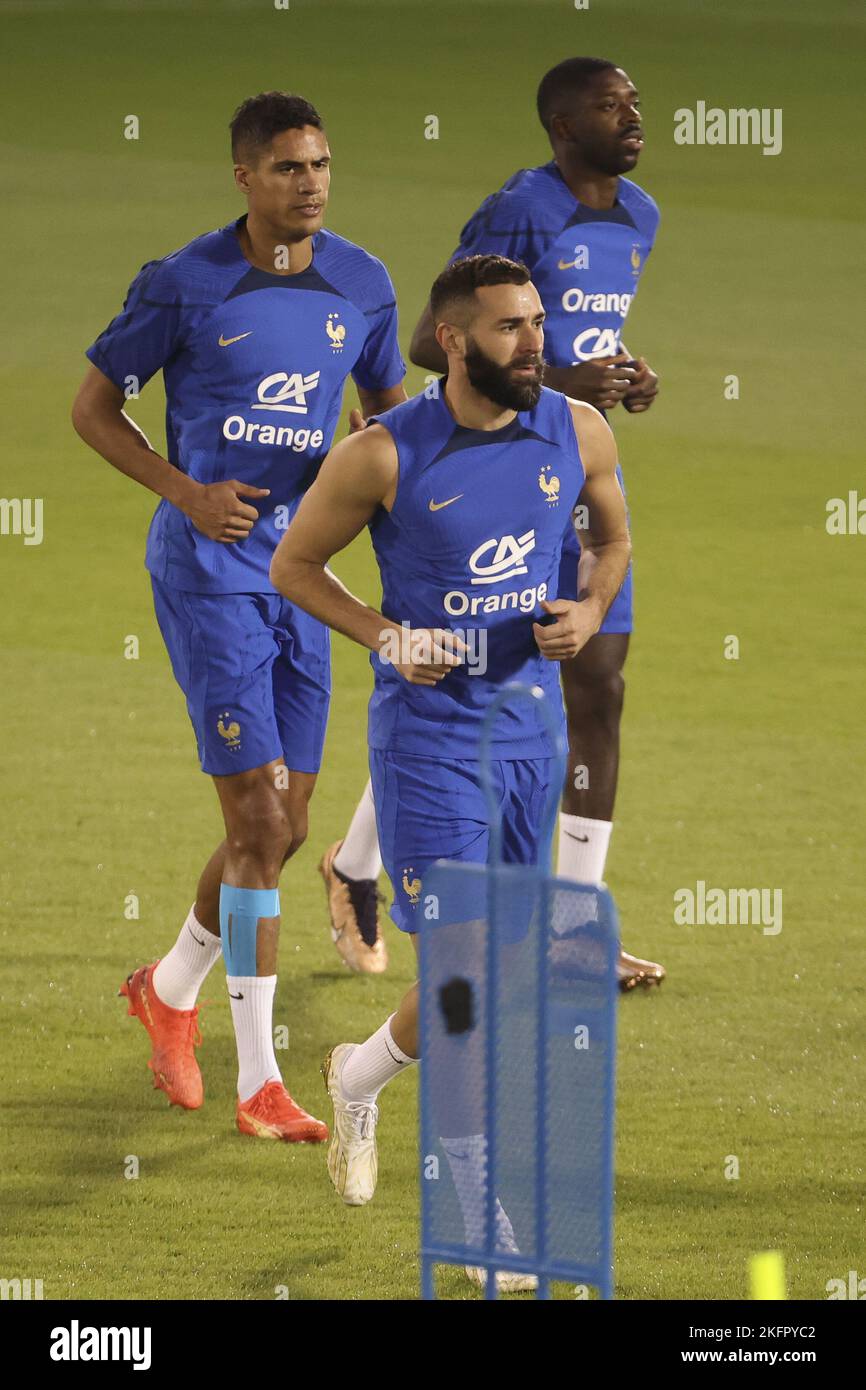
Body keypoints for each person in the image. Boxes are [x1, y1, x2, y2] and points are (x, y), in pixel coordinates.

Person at [270, 254, 631, 1288]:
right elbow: (294, 565)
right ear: (454, 339)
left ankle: (359, 1073)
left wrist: (588, 610)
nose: (536, 342)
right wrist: (385, 636)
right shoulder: (384, 454)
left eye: (538, 321)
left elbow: (611, 543)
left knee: (494, 977)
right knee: (467, 978)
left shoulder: (578, 430)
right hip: (430, 742)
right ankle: (480, 1218)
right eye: (511, 327)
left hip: (528, 738)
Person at [71, 91, 406, 1141]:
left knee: (287, 825)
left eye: (321, 165)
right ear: (244, 178)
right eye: (289, 167)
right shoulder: (184, 281)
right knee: (258, 824)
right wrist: (186, 493)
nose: (310, 183)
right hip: (210, 573)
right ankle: (260, 1081)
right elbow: (93, 408)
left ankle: (168, 986)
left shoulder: (363, 283)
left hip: (303, 575)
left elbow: (389, 419)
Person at [321, 57, 664, 991]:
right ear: (563, 125)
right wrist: (555, 381)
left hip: (566, 467)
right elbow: (442, 339)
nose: (634, 117)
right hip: (492, 471)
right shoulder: (521, 208)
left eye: (636, 103)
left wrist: (623, 376)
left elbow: (574, 341)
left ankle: (573, 924)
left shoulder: (640, 216)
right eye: (612, 106)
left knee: (596, 683)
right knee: (466, 664)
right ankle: (360, 864)